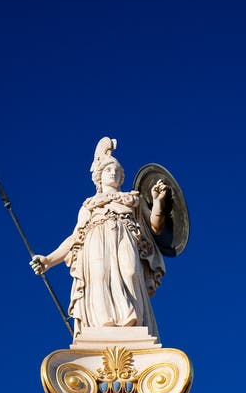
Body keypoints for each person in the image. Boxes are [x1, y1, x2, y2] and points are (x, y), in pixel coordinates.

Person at [30, 137, 168, 338]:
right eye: (108, 170)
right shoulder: (89, 205)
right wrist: (48, 260)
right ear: (99, 176)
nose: (112, 173)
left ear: (121, 177)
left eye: (116, 171)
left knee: (130, 272)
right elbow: (74, 238)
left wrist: (157, 202)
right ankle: (105, 322)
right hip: (95, 238)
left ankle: (131, 321)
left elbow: (156, 226)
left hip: (125, 235)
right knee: (99, 275)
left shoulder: (132, 199)